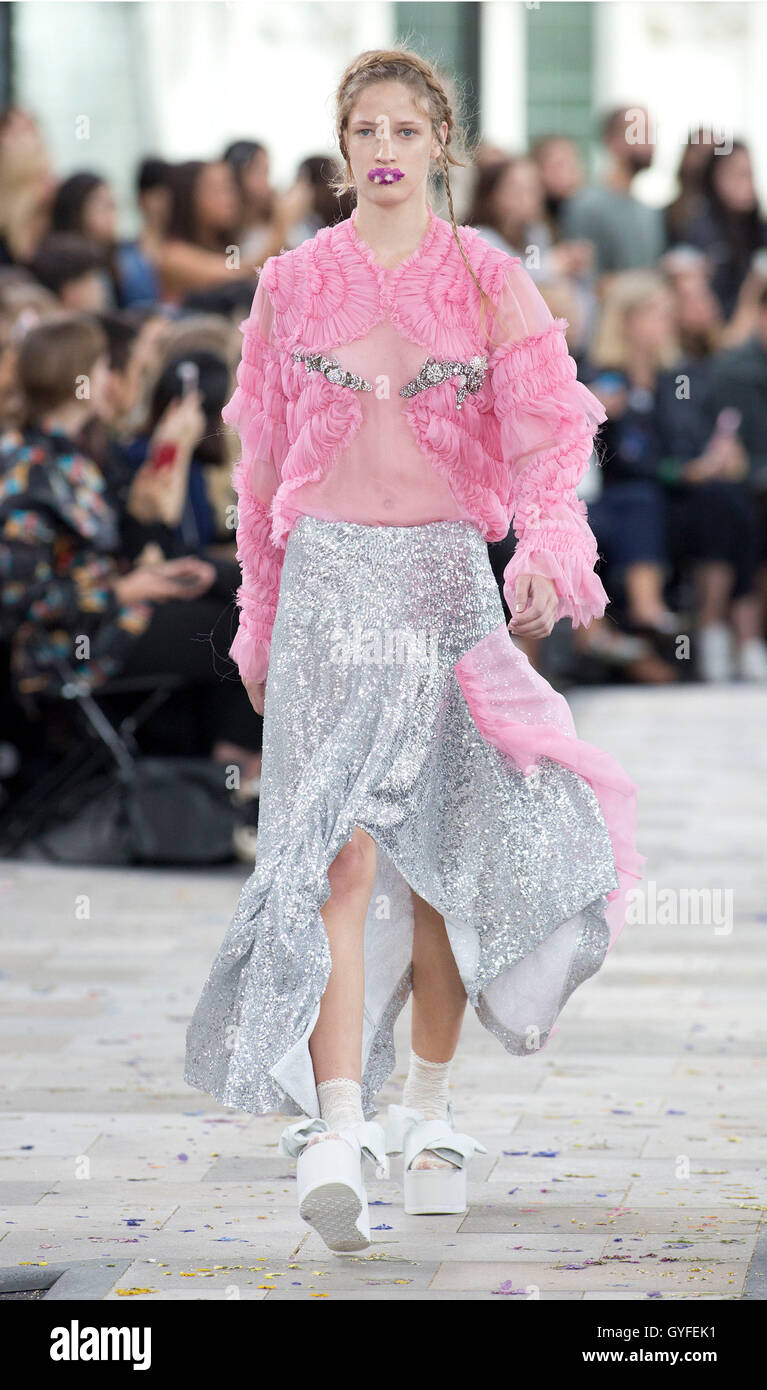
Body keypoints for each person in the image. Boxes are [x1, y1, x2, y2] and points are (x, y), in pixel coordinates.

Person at [183, 47, 646, 1254]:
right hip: (331, 585)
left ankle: (426, 1113)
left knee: (441, 866)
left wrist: (545, 546)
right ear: (342, 152)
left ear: (440, 142)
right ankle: (336, 1125)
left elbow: (551, 444)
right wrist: (259, 614)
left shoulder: (491, 280)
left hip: (446, 585)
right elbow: (262, 472)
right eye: (363, 131)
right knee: (327, 857)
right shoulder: (288, 282)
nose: (383, 149)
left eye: (404, 128)